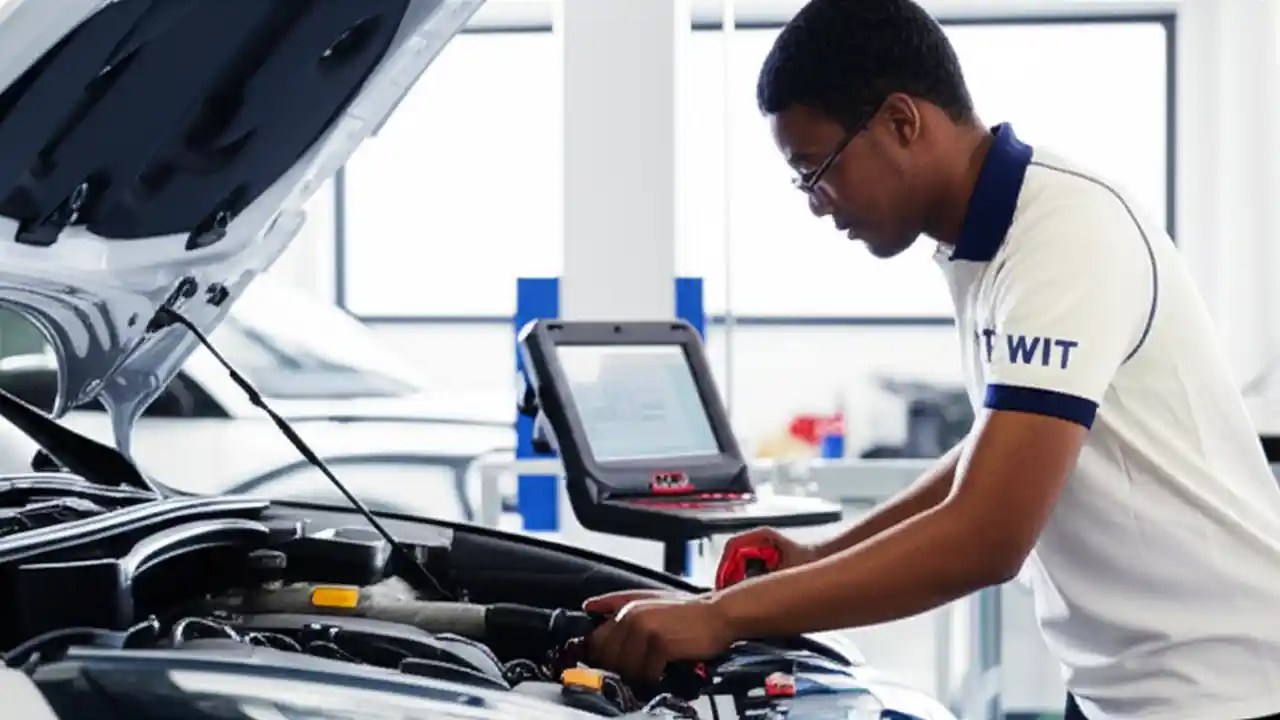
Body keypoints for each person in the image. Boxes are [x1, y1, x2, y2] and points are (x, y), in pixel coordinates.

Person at [581, 1, 1280, 718]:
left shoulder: (1065, 232)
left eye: (815, 169)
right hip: (1119, 685)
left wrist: (724, 617)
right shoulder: (980, 244)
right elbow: (994, 453)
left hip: (1221, 687)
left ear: (902, 122)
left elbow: (985, 535)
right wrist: (817, 560)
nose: (817, 205)